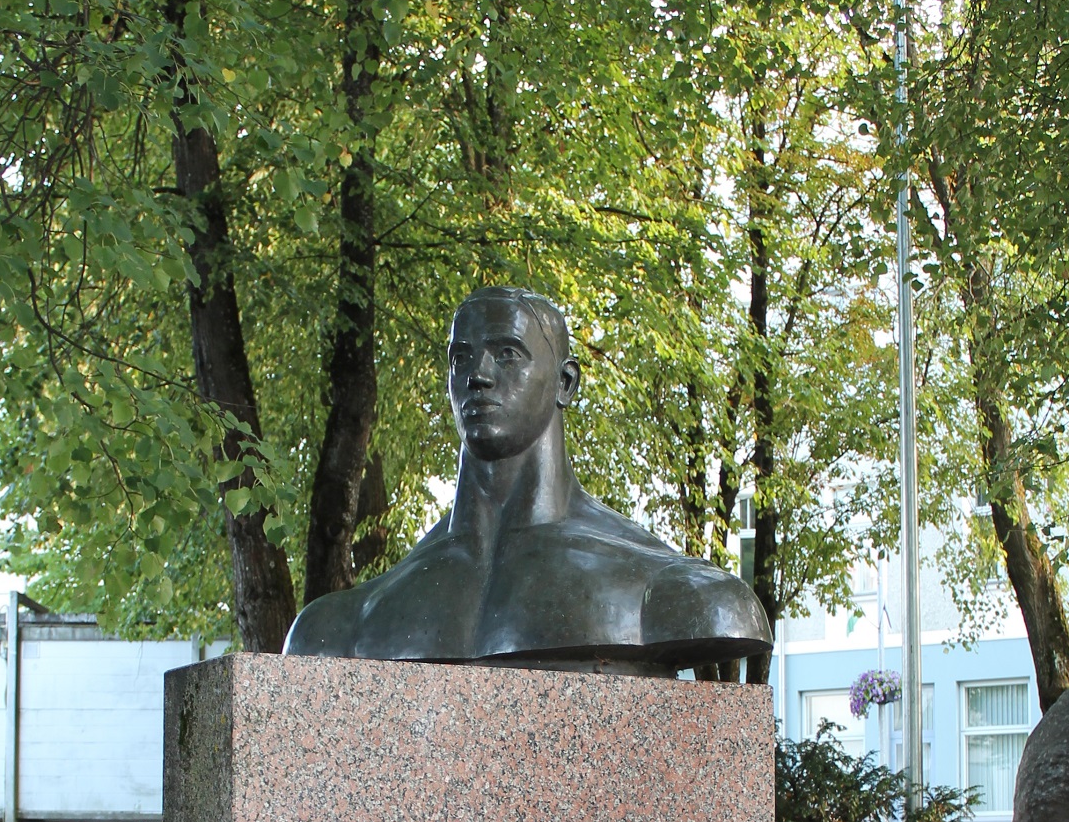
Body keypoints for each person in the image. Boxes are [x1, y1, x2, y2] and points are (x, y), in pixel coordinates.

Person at [283, 286, 772, 674]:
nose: (479, 375)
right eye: (462, 359)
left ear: (565, 384)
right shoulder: (346, 623)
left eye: (508, 353)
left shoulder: (678, 595)